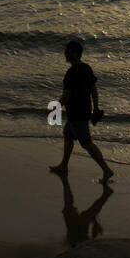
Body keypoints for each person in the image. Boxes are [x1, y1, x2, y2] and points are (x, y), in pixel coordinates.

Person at [50, 39, 113, 182]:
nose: (65, 54)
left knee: (86, 143)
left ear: (75, 54)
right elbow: (94, 90)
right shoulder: (86, 68)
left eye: (68, 52)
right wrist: (96, 107)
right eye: (65, 51)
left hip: (76, 113)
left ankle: (106, 169)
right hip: (84, 111)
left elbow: (67, 95)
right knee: (68, 135)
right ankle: (64, 165)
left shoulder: (71, 73)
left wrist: (56, 109)